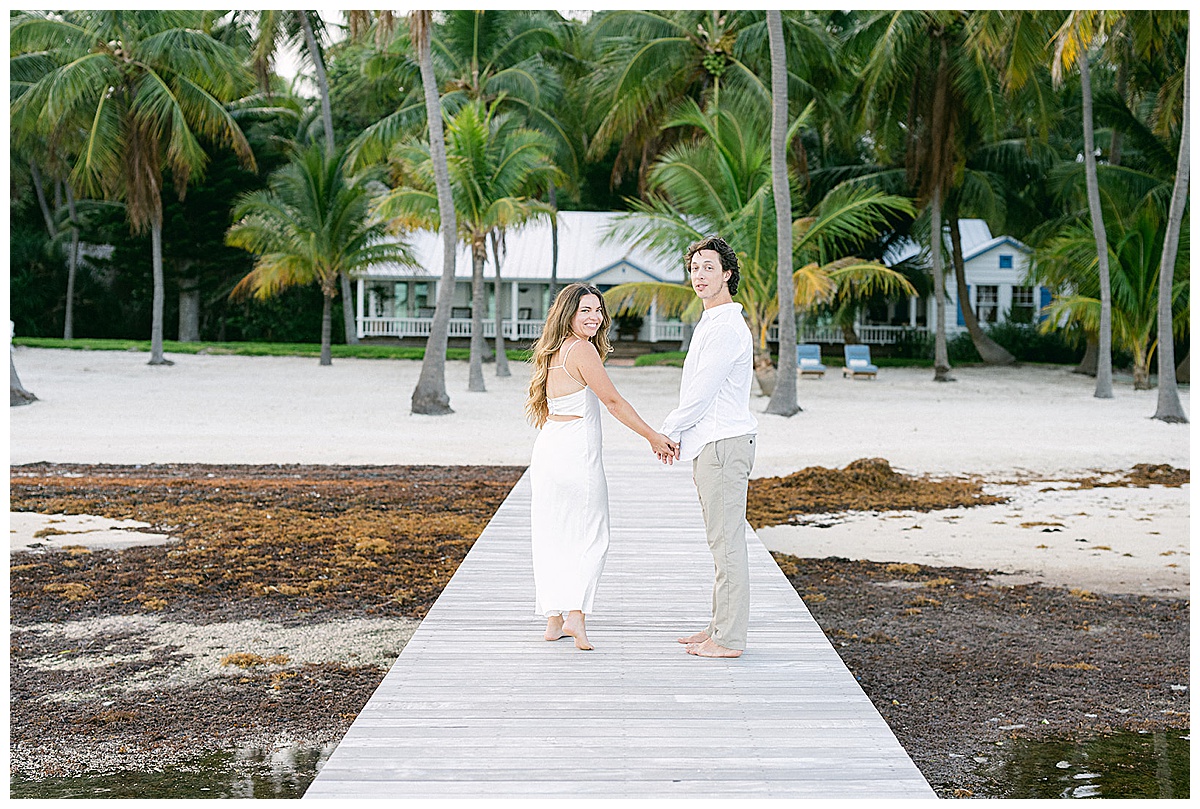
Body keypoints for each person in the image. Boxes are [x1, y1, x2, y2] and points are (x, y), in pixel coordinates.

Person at [525, 283, 678, 650]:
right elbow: (613, 402)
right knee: (593, 534)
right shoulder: (581, 349)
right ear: (569, 314)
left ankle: (554, 619)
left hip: (548, 449)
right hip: (576, 453)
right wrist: (652, 436)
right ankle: (576, 615)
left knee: (553, 534)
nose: (594, 317)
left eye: (598, 310)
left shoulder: (552, 349)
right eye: (586, 311)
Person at [659, 236, 758, 659]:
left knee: (727, 542)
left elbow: (701, 393)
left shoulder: (726, 328)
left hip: (723, 446)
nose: (699, 275)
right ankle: (719, 625)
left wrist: (668, 431)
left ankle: (729, 638)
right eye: (694, 268)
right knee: (721, 541)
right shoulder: (713, 322)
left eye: (709, 267)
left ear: (727, 274)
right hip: (713, 444)